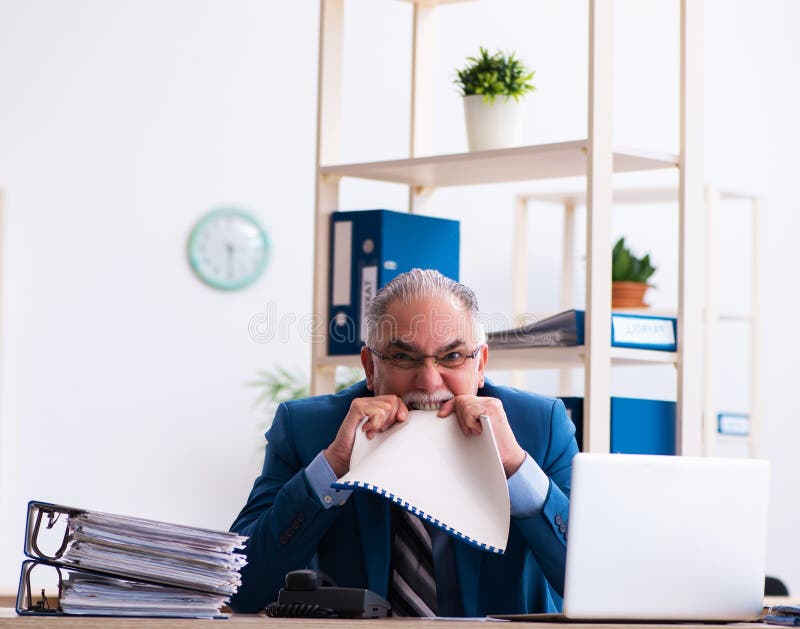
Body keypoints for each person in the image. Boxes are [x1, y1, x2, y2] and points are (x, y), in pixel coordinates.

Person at [230, 269, 578, 616]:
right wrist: (334, 465)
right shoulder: (307, 429)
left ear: (480, 364)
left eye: (453, 356)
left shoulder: (538, 426)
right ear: (370, 367)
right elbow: (241, 588)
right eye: (402, 357)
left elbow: (593, 579)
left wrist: (515, 468)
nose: (428, 382)